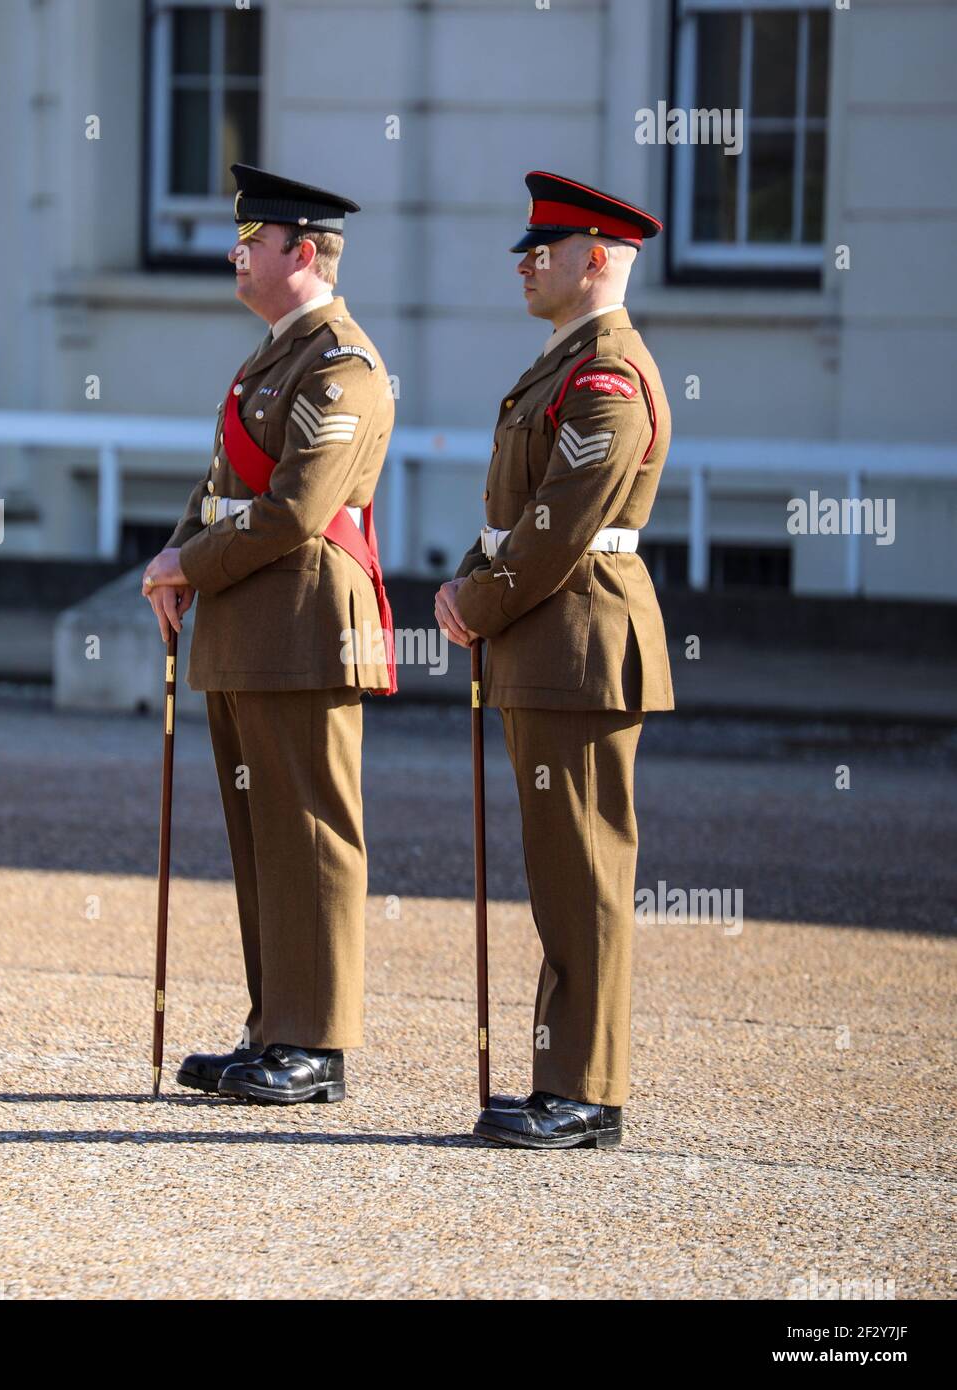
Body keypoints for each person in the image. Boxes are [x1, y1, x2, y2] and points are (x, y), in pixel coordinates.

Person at [143, 164, 396, 1105]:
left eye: (251, 239)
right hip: (249, 624)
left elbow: (296, 508)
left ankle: (316, 1046)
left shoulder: (343, 364)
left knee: (312, 835)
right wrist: (173, 560)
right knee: (259, 837)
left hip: (306, 621)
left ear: (302, 249)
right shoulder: (270, 358)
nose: (233, 252)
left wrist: (192, 566)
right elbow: (218, 489)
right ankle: (271, 1029)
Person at [434, 170, 674, 1149]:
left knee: (582, 875)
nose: (526, 263)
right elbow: (510, 519)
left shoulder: (608, 375)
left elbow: (558, 524)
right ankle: (559, 1078)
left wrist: (480, 600)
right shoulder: (558, 364)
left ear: (597, 260)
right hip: (544, 637)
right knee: (556, 872)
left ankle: (586, 1089)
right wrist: (465, 583)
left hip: (580, 637)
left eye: (546, 248)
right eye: (526, 247)